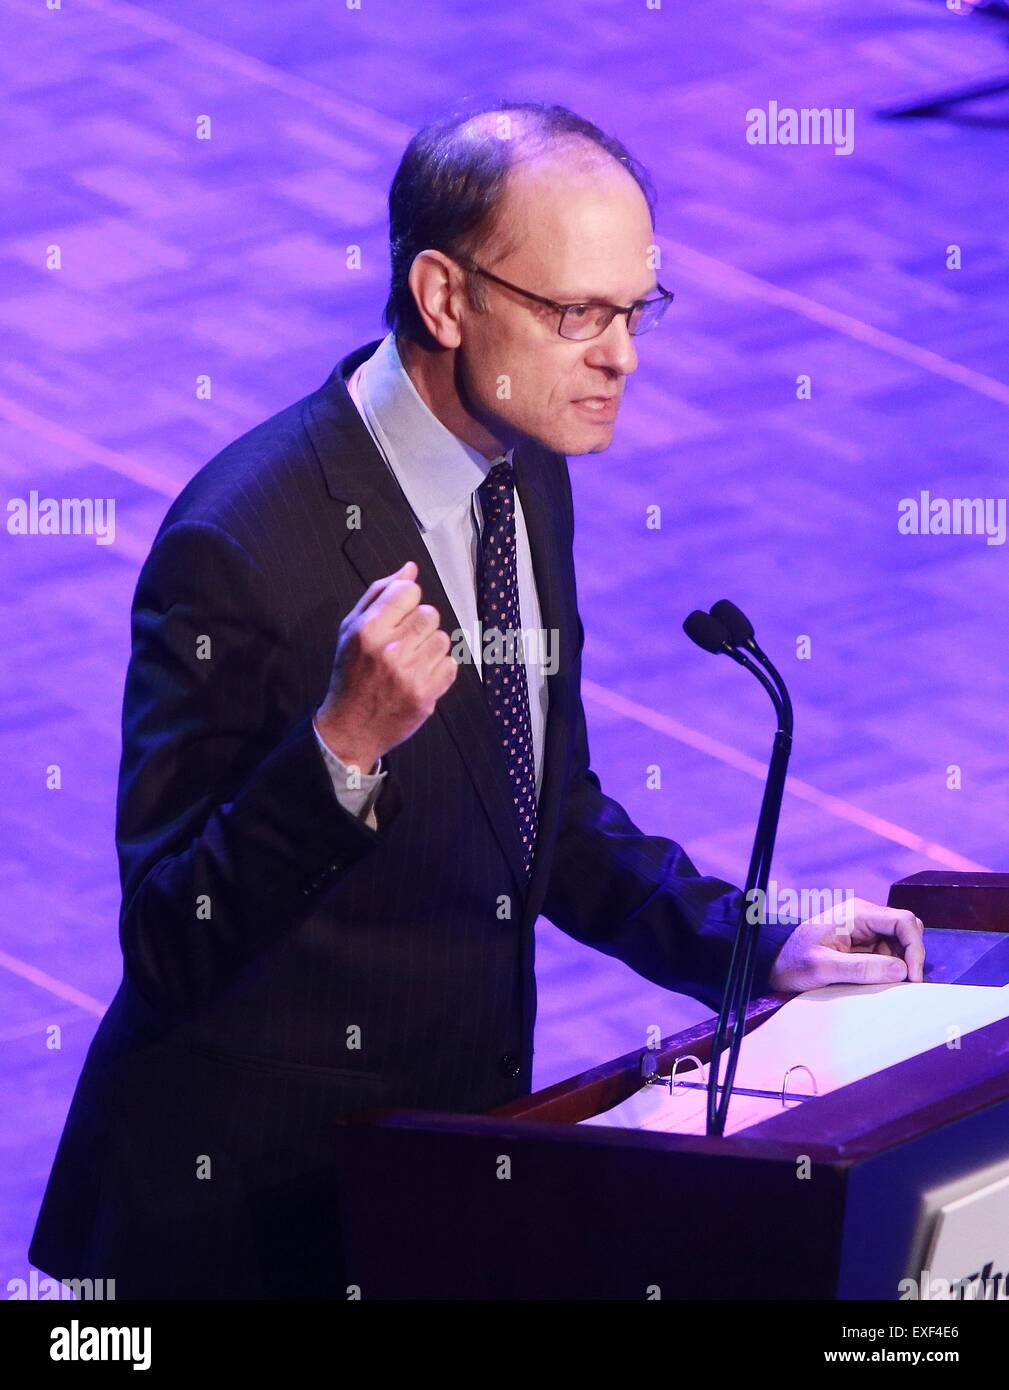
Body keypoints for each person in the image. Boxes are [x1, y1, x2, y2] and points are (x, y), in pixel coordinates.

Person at [29, 100, 924, 1299]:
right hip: (237, 1228)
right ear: (446, 298)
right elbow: (167, 941)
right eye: (577, 315)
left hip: (429, 1193)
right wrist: (339, 751)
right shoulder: (240, 542)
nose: (624, 356)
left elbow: (542, 814)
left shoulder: (527, 471)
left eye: (635, 309)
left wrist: (752, 941)